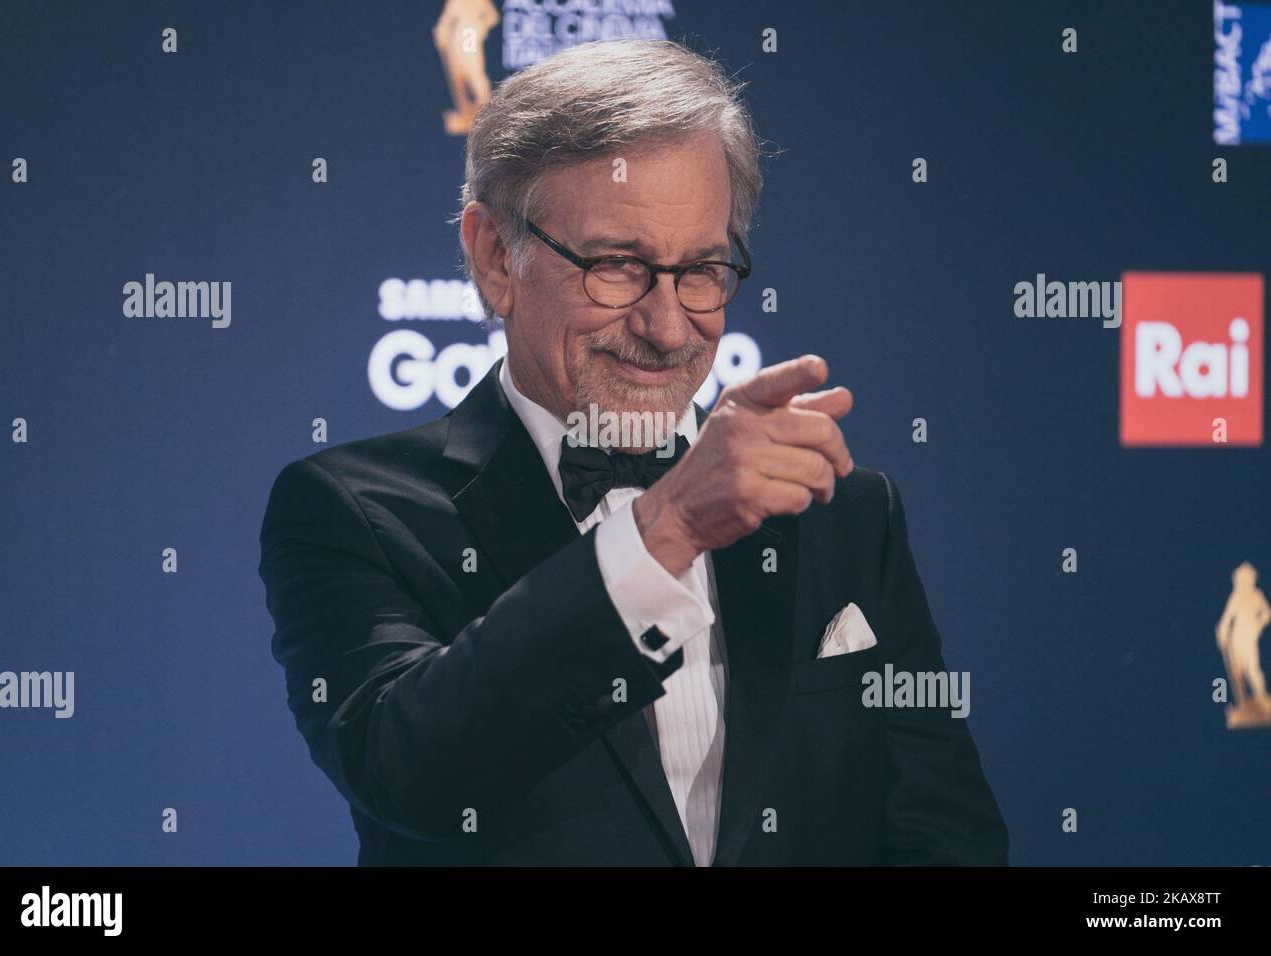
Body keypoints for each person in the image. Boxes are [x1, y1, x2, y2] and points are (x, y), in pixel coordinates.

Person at [258, 37, 1008, 866]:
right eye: (617, 266)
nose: (666, 326)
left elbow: (948, 837)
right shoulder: (353, 511)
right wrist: (669, 526)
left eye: (702, 271)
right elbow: (412, 773)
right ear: (493, 257)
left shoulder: (846, 517)